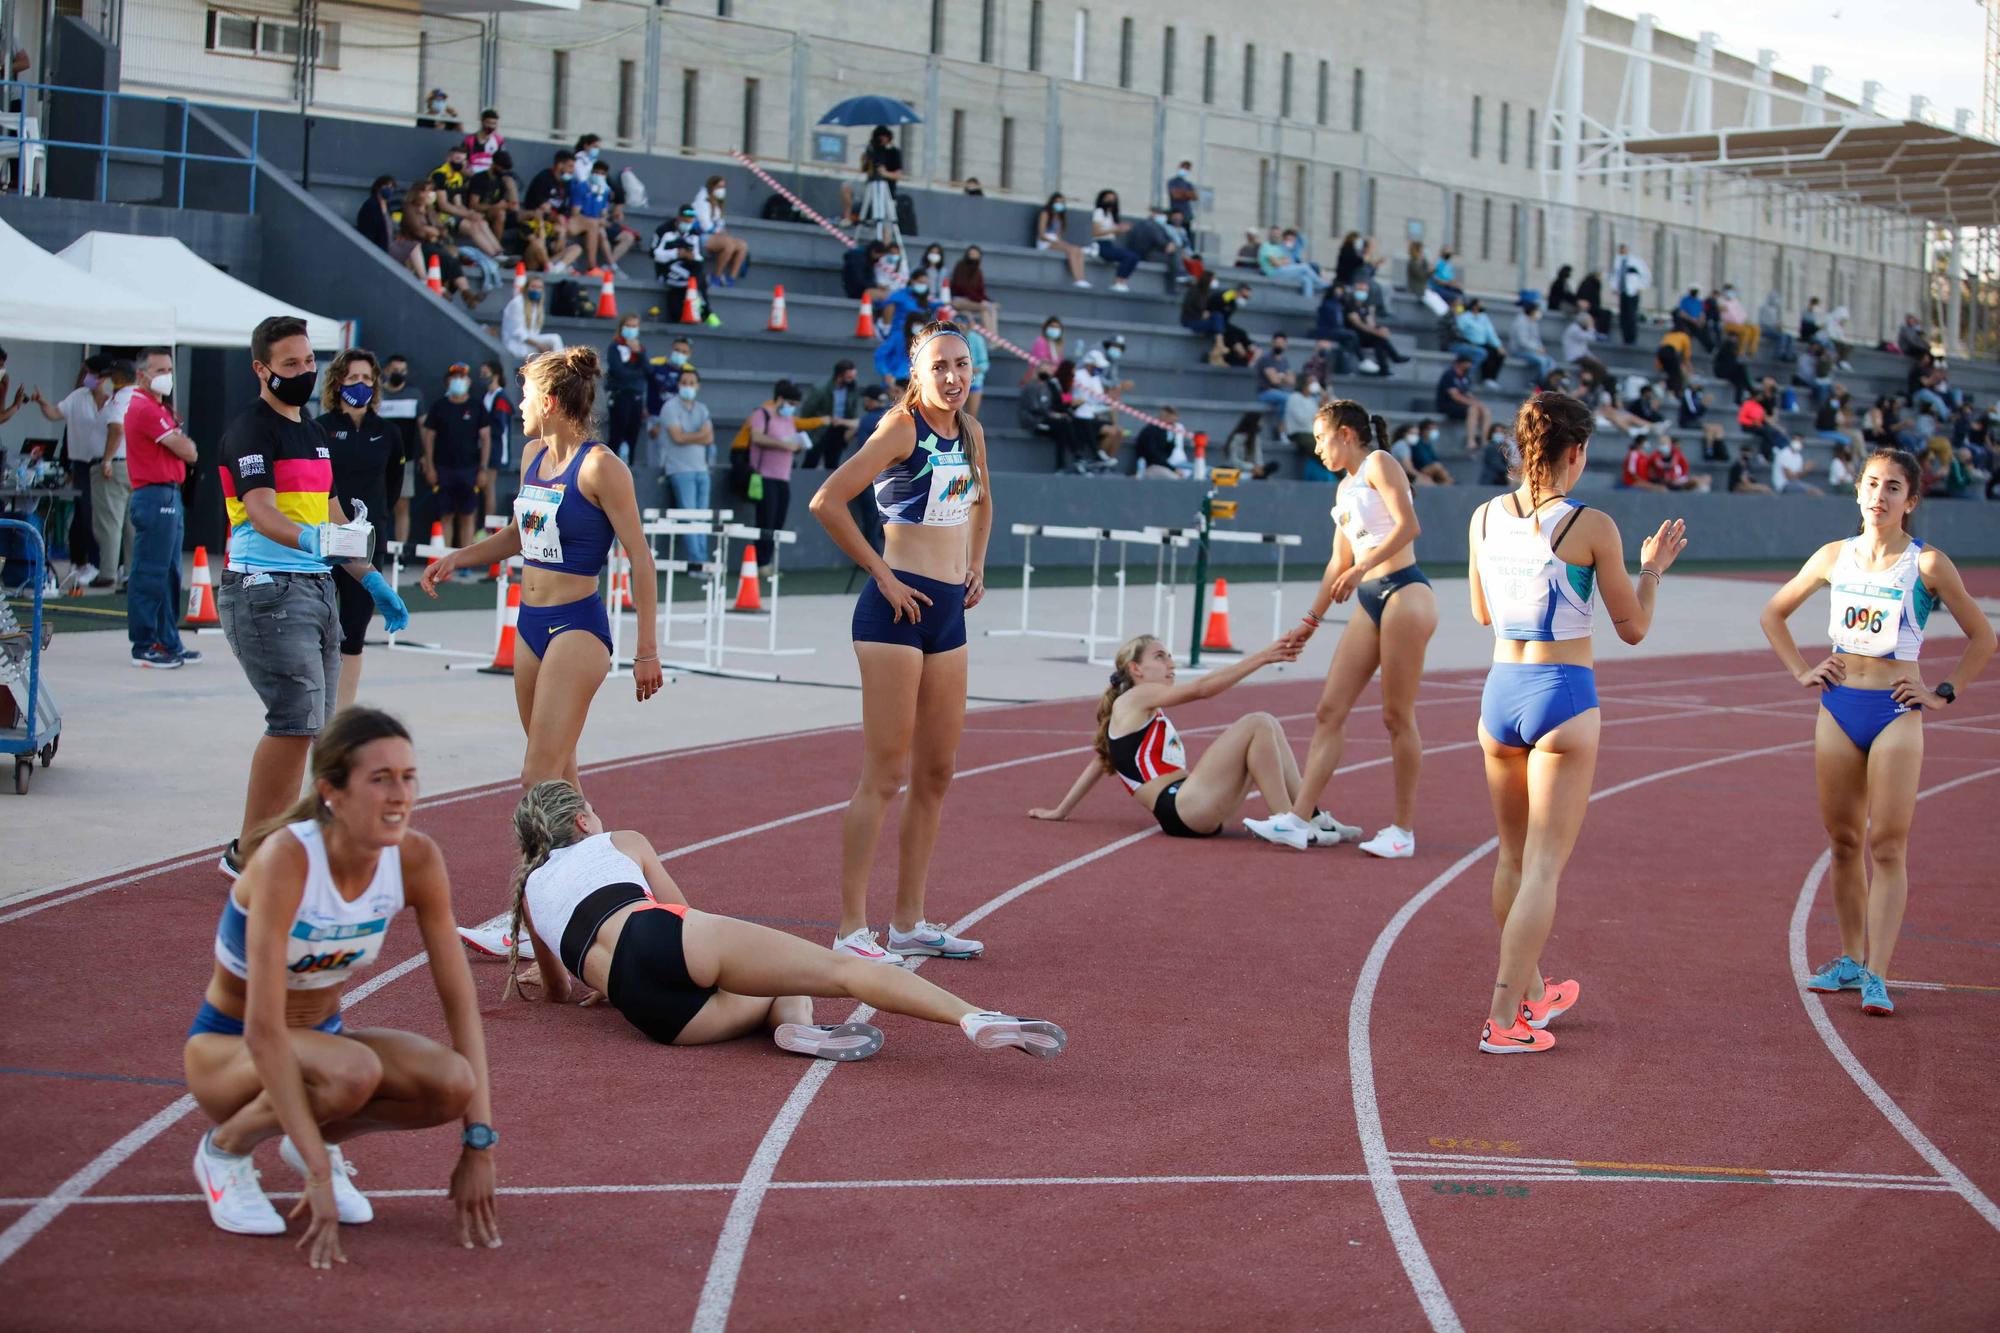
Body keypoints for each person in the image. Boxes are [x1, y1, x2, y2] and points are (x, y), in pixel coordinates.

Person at [184, 708, 501, 1263]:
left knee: (452, 1082)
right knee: (352, 1071)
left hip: (324, 1045)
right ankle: (225, 1151)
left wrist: (480, 1140)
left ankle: (315, 1140)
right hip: (228, 1052)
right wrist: (317, 1178)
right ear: (332, 791)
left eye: (408, 777)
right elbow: (263, 1030)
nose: (400, 795)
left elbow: (459, 1001)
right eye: (380, 780)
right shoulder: (287, 859)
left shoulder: (416, 858)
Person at [501, 781, 1067, 1057]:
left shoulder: (531, 889)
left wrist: (597, 982)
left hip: (655, 1016)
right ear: (581, 821)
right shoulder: (621, 841)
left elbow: (557, 989)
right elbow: (684, 913)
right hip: (661, 937)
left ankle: (797, 1029)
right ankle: (974, 1019)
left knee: (776, 989)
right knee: (835, 969)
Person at [1467, 391, 1687, 1053]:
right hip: (1563, 692)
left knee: (1512, 859)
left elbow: (1481, 612)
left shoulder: (1482, 517)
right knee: (1543, 868)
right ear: (1575, 453)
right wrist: (1652, 569)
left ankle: (1531, 993)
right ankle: (1504, 1021)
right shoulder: (1590, 525)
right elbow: (1635, 627)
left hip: (1501, 692)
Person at [1758, 449, 1994, 1015]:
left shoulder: (1928, 565)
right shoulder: (1834, 557)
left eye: (1893, 488)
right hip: (1838, 707)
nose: (1879, 496)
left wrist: (1944, 692)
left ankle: (1878, 974)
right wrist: (1802, 669)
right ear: (1857, 491)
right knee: (1843, 843)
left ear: (1910, 502)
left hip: (1895, 710)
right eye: (1871, 484)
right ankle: (1848, 957)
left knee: (1887, 844)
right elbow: (1774, 613)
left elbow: (1983, 637)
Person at [808, 320, 991, 964]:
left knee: (936, 774)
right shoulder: (901, 430)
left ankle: (909, 922)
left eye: (961, 365)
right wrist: (883, 577)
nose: (952, 378)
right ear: (916, 374)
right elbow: (828, 501)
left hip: (948, 614)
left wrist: (976, 562)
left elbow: (983, 503)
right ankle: (851, 930)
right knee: (884, 776)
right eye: (938, 366)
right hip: (896, 613)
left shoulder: (968, 432)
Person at [421, 348, 664, 812]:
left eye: (527, 395)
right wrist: (460, 557)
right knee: (562, 775)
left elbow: (640, 558)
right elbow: (519, 534)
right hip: (530, 625)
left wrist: (647, 650)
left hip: (577, 628)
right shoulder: (534, 455)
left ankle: (541, 876)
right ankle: (596, 869)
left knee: (537, 775)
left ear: (549, 402)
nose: (521, 406)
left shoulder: (601, 467)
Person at [211, 319, 409, 878]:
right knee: (295, 722)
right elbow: (262, 510)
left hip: (318, 587)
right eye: (290, 364)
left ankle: (279, 841)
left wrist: (369, 577)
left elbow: (333, 512)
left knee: (317, 727)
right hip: (265, 589)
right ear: (262, 368)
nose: (303, 371)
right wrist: (307, 539)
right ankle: (251, 853)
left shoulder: (313, 434)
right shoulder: (251, 431)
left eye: (307, 361)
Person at [1247, 400, 1437, 857]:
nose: (1316, 449)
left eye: (1320, 438)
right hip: (1370, 600)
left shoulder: (1379, 463)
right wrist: (1307, 625)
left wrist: (1362, 568)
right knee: (1329, 711)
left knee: (1396, 716)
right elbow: (1338, 562)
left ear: (1347, 434)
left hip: (1406, 595)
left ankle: (1402, 831)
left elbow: (1410, 526)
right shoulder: (1345, 489)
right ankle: (1297, 819)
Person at [1028, 633, 1322, 836]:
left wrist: (1061, 810)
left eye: (1169, 656)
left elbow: (1100, 761)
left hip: (1194, 808)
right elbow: (1201, 689)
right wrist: (1263, 657)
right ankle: (1287, 820)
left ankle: (1310, 818)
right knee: (1257, 722)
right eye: (1159, 657)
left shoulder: (1140, 713)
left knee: (1267, 724)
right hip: (1181, 806)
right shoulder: (1134, 699)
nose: (1170, 663)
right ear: (1136, 669)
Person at [316, 350, 404, 714]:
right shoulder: (318, 428)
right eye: (353, 378)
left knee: (353, 634)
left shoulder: (388, 433)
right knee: (318, 630)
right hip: (323, 541)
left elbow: (393, 487)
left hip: (368, 544)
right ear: (338, 382)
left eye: (367, 379)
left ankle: (340, 716)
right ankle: (314, 709)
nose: (361, 385)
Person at [123, 348, 197, 669]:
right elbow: (188, 450)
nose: (167, 375)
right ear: (142, 375)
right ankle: (146, 643)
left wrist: (184, 446)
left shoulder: (157, 407)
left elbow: (186, 449)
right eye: (160, 370)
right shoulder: (145, 409)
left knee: (168, 574)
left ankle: (167, 641)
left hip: (166, 495)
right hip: (155, 496)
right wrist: (183, 445)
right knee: (151, 572)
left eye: (169, 368)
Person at [421, 365, 491, 553]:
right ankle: (444, 558)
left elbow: (486, 437)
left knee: (467, 515)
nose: (458, 380)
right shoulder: (439, 406)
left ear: (469, 382)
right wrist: (429, 466)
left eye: (462, 377)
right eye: (454, 377)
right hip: (443, 468)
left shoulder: (477, 406)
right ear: (448, 381)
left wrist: (483, 469)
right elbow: (429, 437)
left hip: (469, 468)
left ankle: (465, 561)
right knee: (446, 515)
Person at [654, 366, 714, 566]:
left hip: (702, 469)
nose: (687, 386)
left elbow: (710, 437)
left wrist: (690, 436)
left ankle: (703, 560)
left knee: (703, 518)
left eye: (691, 383)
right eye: (684, 382)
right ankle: (696, 562)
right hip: (680, 470)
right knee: (689, 517)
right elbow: (677, 437)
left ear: (698, 386)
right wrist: (699, 435)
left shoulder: (702, 408)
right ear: (679, 385)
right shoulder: (670, 407)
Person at [745, 380, 806, 570]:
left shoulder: (788, 420)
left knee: (778, 520)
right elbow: (757, 437)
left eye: (795, 406)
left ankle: (769, 560)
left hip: (783, 476)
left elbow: (790, 441)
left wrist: (796, 446)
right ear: (779, 399)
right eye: (790, 404)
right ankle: (761, 561)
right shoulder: (761, 414)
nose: (791, 409)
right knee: (766, 519)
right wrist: (784, 444)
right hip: (764, 476)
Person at [800, 359, 863, 469]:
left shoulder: (852, 389)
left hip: (839, 429)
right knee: (811, 461)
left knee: (833, 463)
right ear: (839, 376)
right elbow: (807, 411)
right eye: (849, 377)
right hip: (821, 429)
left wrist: (849, 427)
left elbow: (852, 410)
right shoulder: (821, 389)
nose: (852, 380)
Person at [841, 125, 905, 229]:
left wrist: (885, 173)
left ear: (888, 137)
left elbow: (898, 175)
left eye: (883, 137)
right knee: (846, 187)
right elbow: (864, 170)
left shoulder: (894, 152)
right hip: (870, 185)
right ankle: (847, 218)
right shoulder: (872, 150)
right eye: (879, 137)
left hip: (886, 191)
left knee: (886, 224)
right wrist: (865, 160)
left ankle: (885, 242)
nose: (881, 140)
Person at [605, 314, 649, 465]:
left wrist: (639, 354)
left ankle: (629, 465)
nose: (631, 329)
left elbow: (648, 370)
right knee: (617, 432)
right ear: (622, 327)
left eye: (634, 326)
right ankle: (609, 466)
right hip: (620, 395)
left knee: (633, 434)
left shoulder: (640, 349)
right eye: (628, 326)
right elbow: (618, 372)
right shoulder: (614, 346)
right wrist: (638, 373)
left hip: (636, 397)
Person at [691, 176, 746, 284]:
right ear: (712, 186)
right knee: (728, 244)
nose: (722, 190)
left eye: (723, 187)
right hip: (699, 236)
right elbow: (705, 225)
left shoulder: (717, 203)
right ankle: (716, 276)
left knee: (742, 245)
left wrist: (722, 231)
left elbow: (719, 222)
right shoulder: (702, 200)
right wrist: (719, 232)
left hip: (714, 236)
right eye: (719, 186)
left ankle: (731, 279)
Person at [501, 272, 564, 360]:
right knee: (555, 339)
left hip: (529, 343)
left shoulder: (536, 305)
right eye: (533, 286)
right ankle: (560, 369)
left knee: (555, 341)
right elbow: (519, 333)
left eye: (539, 287)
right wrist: (539, 345)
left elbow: (534, 334)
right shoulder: (518, 303)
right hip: (516, 345)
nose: (536, 290)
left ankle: (559, 367)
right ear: (526, 288)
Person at [1435, 353, 1492, 452]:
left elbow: (1468, 394)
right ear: (1459, 364)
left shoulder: (1465, 377)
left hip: (1462, 405)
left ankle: (1485, 440)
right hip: (1448, 405)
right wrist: (1473, 404)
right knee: (1473, 410)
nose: (1469, 366)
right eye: (1467, 363)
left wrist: (1478, 404)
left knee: (1485, 411)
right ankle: (1471, 441)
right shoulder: (1449, 375)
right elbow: (1455, 396)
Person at [1034, 193, 1091, 287]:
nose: (1059, 204)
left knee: (1078, 250)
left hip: (1055, 240)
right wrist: (1054, 241)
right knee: (1072, 250)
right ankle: (1077, 279)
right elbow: (1041, 234)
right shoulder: (1045, 213)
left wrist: (1061, 243)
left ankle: (1082, 278)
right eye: (1057, 202)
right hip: (1045, 241)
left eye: (1062, 202)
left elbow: (1058, 236)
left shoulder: (1060, 218)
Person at [1090, 190, 1139, 293]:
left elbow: (1112, 233)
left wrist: (1121, 229)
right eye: (1108, 198)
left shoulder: (1111, 215)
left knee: (1134, 257)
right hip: (1101, 245)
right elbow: (1096, 232)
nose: (1111, 201)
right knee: (1128, 256)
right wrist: (1115, 229)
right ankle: (1118, 281)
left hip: (1109, 243)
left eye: (1113, 198)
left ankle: (1123, 281)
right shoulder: (1099, 212)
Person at [945, 246, 1000, 333]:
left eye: (975, 255)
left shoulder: (978, 272)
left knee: (986, 312)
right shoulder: (960, 266)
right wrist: (982, 301)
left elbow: (981, 292)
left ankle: (992, 338)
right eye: (971, 254)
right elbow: (962, 287)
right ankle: (993, 338)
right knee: (988, 308)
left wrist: (989, 301)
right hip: (959, 300)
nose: (973, 257)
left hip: (972, 302)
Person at [1610, 242, 1649, 346]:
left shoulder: (1635, 261)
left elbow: (1645, 275)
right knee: (1623, 315)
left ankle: (1632, 338)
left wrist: (1640, 287)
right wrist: (1614, 288)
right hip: (1623, 292)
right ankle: (1625, 337)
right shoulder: (1618, 261)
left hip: (1632, 291)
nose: (1622, 252)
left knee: (1631, 315)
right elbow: (1615, 276)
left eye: (1623, 250)